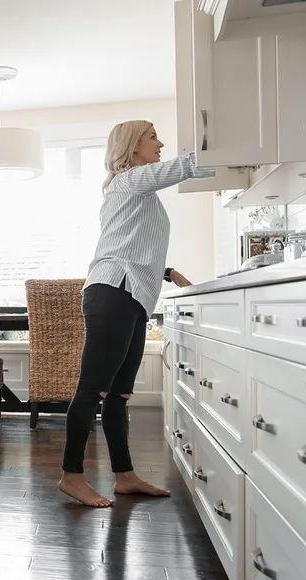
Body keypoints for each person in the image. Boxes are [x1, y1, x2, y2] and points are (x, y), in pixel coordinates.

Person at [58, 120, 214, 507]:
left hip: (131, 294)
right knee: (92, 389)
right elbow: (187, 166)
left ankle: (124, 476)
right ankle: (71, 475)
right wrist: (222, 147)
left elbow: (129, 242)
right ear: (132, 145)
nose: (160, 144)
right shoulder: (129, 180)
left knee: (119, 395)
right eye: (152, 137)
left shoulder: (133, 191)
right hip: (112, 292)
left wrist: (165, 271)